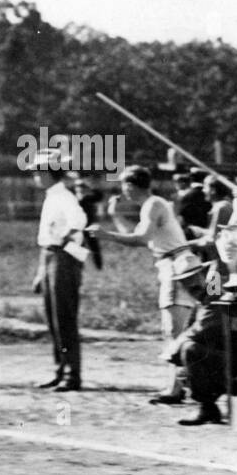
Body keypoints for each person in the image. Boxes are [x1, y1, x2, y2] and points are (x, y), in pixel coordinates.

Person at [92, 166, 194, 404]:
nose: (122, 190)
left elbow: (140, 239)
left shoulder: (154, 205)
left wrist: (106, 235)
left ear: (130, 185)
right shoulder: (153, 205)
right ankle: (178, 385)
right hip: (173, 265)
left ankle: (176, 388)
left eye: (123, 185)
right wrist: (115, 216)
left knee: (174, 330)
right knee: (172, 330)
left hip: (176, 266)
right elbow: (137, 235)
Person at [162, 252, 237, 426]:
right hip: (232, 357)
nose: (191, 284)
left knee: (190, 349)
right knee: (189, 352)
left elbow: (204, 327)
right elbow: (193, 328)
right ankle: (207, 408)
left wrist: (173, 351)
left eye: (194, 278)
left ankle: (207, 407)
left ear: (203, 274)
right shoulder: (204, 296)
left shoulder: (214, 289)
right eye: (185, 281)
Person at [30, 151, 89, 392]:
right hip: (49, 256)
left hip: (63, 257)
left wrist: (64, 241)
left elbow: (79, 221)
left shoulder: (64, 196)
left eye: (37, 171)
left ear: (47, 172)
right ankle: (60, 369)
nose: (35, 176)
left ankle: (71, 375)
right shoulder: (51, 196)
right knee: (53, 319)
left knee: (64, 318)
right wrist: (40, 271)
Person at [67, 173, 105, 271]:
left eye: (82, 186)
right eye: (78, 186)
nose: (80, 188)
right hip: (76, 228)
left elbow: (99, 195)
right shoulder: (73, 198)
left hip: (88, 227)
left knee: (93, 246)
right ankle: (79, 265)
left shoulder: (86, 199)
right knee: (75, 247)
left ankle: (97, 266)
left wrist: (90, 184)